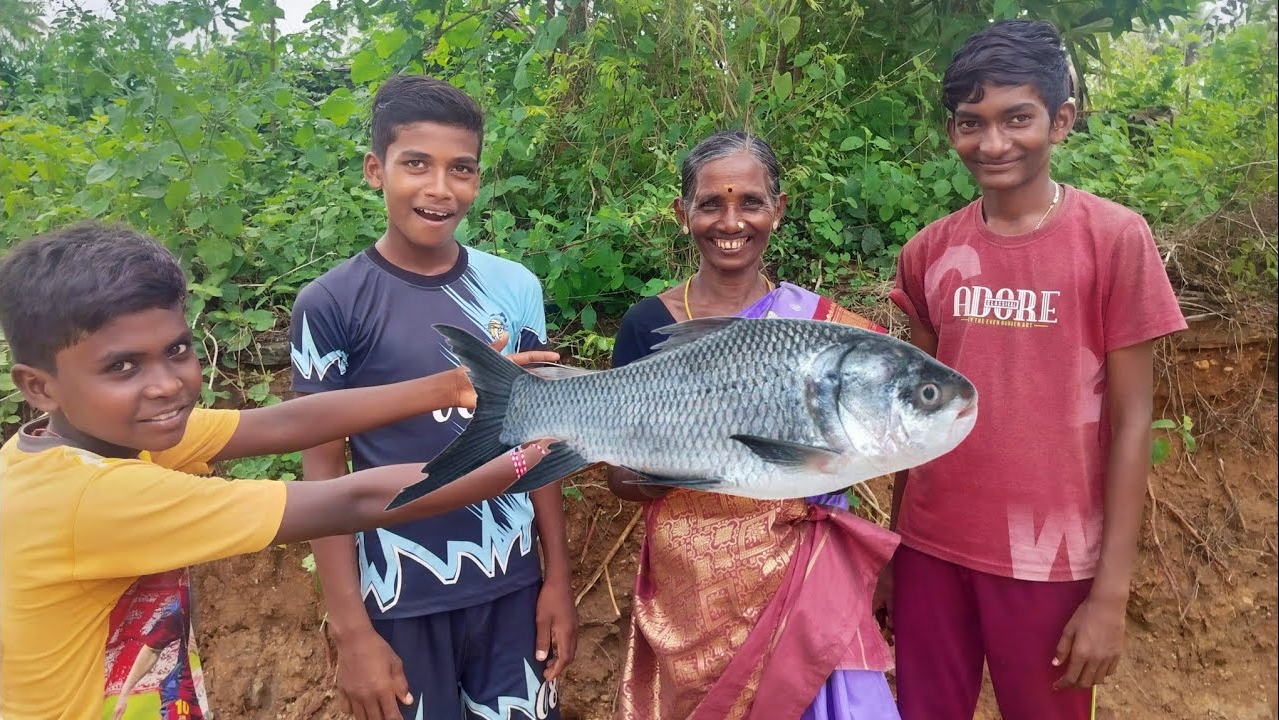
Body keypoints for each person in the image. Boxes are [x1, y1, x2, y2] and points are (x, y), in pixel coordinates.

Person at [0, 221, 559, 720]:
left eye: (177, 350)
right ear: (39, 386)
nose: (166, 384)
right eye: (122, 366)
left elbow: (287, 422)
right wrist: (533, 451)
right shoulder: (97, 498)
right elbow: (351, 502)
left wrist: (450, 387)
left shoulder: (85, 444)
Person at [876, 19, 1188, 720]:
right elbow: (913, 416)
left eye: (1017, 118)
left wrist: (1111, 593)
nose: (993, 143)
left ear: (1062, 120)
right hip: (933, 550)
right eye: (970, 122)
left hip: (1054, 563)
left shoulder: (1112, 240)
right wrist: (897, 552)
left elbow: (1133, 419)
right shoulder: (930, 253)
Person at [289, 74, 576, 720]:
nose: (440, 188)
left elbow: (541, 443)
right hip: (398, 599)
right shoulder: (331, 306)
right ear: (375, 169)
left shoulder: (514, 289)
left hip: (513, 589)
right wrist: (350, 631)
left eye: (461, 169)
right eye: (416, 164)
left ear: (479, 178)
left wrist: (556, 578)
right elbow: (322, 473)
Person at [608, 130, 902, 720]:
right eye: (711, 203)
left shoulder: (821, 331)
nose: (730, 220)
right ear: (682, 212)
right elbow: (620, 479)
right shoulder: (649, 326)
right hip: (691, 589)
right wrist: (683, 465)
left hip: (807, 580)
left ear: (778, 209)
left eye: (750, 202)